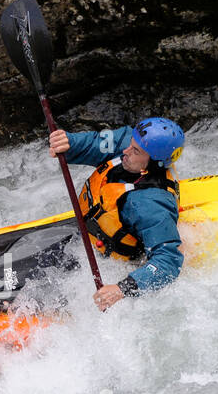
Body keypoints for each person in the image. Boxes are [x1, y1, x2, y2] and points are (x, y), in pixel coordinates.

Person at [48, 117, 185, 311]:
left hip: (111, 261)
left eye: (136, 151)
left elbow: (168, 262)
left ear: (153, 164)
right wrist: (68, 142)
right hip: (83, 235)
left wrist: (122, 289)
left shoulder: (150, 205)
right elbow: (95, 143)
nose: (125, 151)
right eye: (131, 144)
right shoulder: (132, 142)